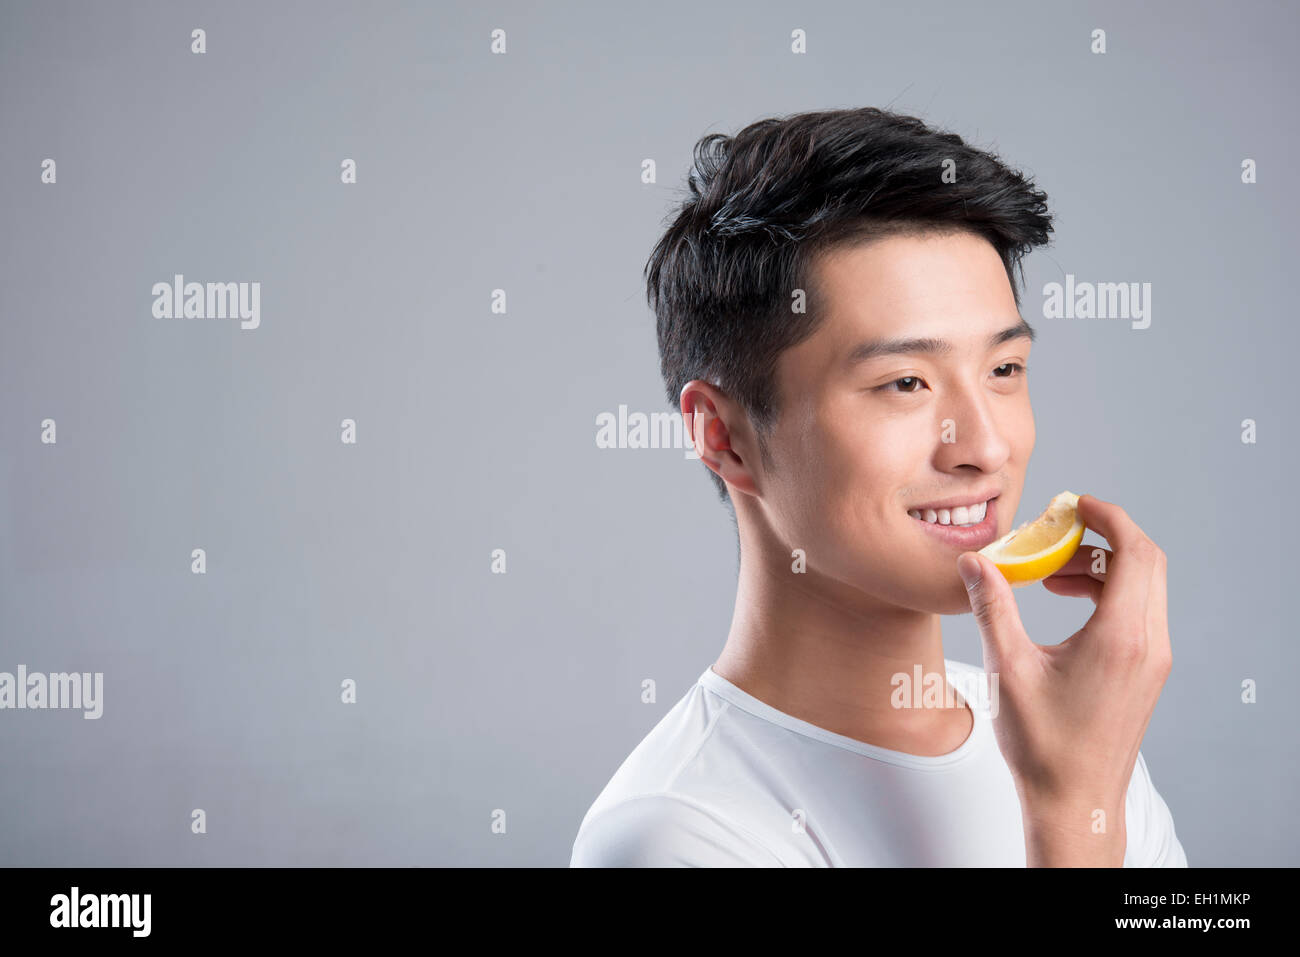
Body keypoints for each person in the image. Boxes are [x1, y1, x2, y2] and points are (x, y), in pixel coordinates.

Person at [570, 107, 1186, 867]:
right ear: (722, 435)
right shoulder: (676, 833)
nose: (986, 446)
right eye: (904, 382)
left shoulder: (1074, 732)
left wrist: (1089, 781)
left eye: (1003, 370)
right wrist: (1073, 813)